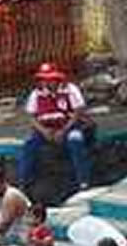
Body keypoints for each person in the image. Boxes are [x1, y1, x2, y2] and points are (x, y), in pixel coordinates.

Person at [15, 62, 94, 191]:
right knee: (29, 145)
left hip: (69, 127)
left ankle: (83, 180)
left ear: (56, 78)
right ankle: (23, 182)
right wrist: (44, 131)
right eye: (43, 79)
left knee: (75, 140)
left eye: (49, 78)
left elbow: (78, 112)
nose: (46, 82)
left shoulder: (70, 89)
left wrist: (63, 130)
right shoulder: (36, 93)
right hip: (46, 129)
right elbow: (31, 116)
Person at [0, 166, 33, 246]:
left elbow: (4, 226)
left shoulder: (11, 195)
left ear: (3, 181)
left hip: (23, 238)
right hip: (9, 238)